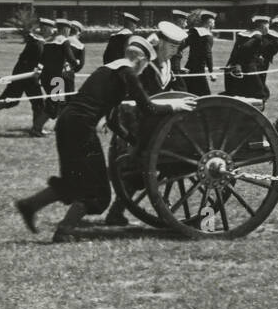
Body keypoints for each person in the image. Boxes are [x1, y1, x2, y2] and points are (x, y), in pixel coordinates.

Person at [15, 36, 197, 242]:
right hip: (81, 127)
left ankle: (30, 205)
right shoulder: (128, 72)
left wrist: (130, 139)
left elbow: (111, 119)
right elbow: (148, 107)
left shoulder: (108, 69)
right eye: (144, 66)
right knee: (99, 193)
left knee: (72, 180)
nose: (143, 71)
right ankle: (64, 231)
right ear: (141, 61)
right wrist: (175, 105)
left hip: (67, 122)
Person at [102, 22, 190, 226]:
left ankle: (117, 211)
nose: (174, 53)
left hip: (162, 127)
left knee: (140, 172)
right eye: (171, 47)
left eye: (177, 48)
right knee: (137, 171)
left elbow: (179, 90)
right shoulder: (143, 67)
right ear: (159, 44)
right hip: (142, 126)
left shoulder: (166, 66)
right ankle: (117, 211)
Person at [0, 17, 48, 133]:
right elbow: (39, 62)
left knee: (12, 99)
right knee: (38, 103)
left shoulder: (35, 40)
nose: (52, 31)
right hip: (28, 76)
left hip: (20, 73)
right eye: (51, 29)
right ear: (45, 28)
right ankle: (37, 129)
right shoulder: (39, 43)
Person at [39, 19, 74, 125]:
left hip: (45, 76)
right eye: (69, 30)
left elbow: (42, 59)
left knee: (54, 102)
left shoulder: (48, 41)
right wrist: (76, 62)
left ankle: (61, 126)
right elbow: (71, 59)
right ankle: (37, 127)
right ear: (65, 29)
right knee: (54, 105)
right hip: (57, 78)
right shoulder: (64, 41)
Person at [223, 20, 266, 100]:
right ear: (262, 26)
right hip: (249, 67)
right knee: (260, 92)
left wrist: (232, 63)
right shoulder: (258, 36)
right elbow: (244, 47)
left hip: (237, 65)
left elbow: (235, 50)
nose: (268, 28)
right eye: (267, 26)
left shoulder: (242, 34)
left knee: (240, 91)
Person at [183, 10, 217, 96]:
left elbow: (183, 45)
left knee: (188, 93)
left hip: (189, 66)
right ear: (209, 22)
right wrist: (211, 71)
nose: (214, 23)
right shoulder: (207, 35)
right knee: (205, 95)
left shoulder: (194, 31)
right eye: (213, 21)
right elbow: (208, 54)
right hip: (199, 69)